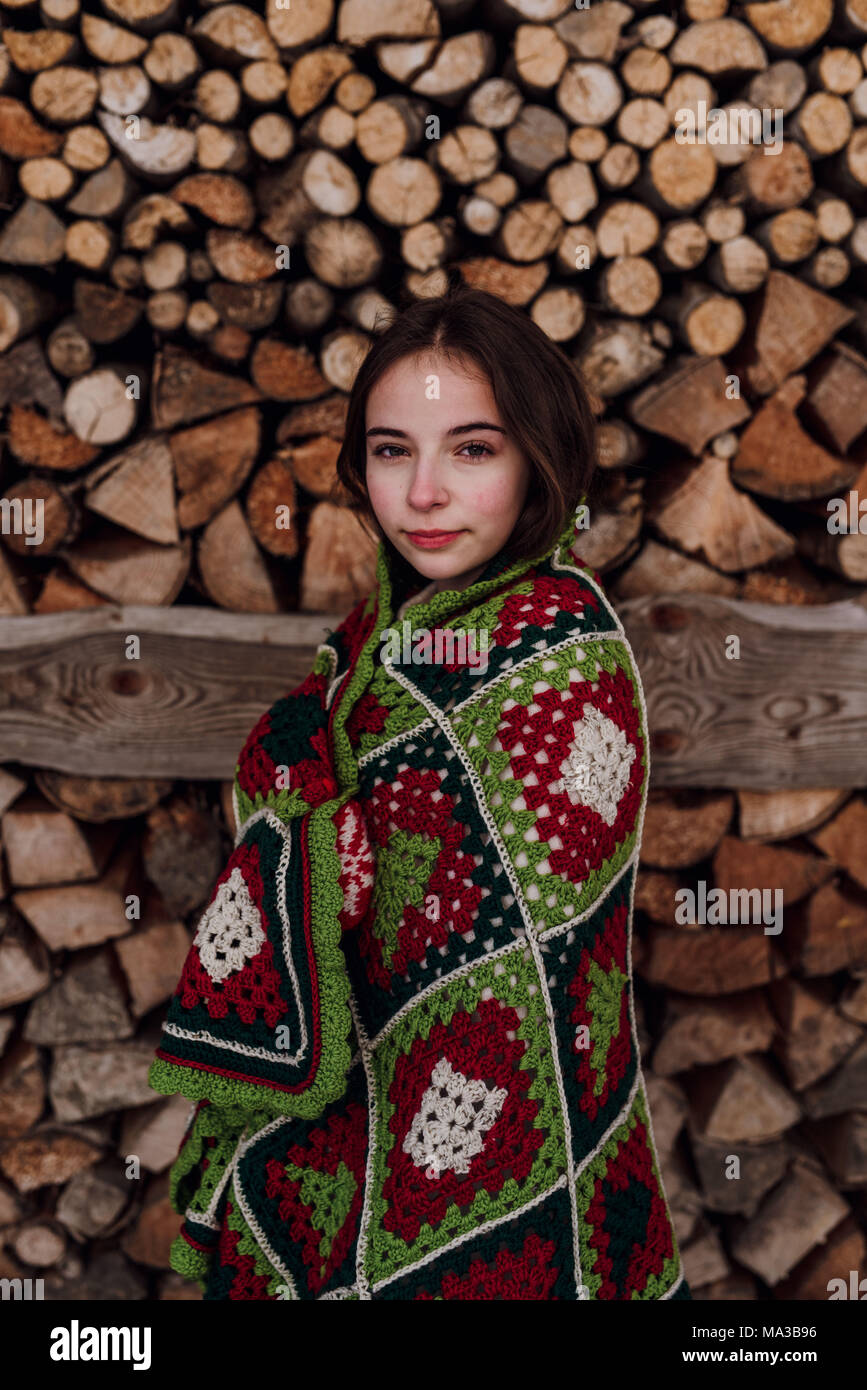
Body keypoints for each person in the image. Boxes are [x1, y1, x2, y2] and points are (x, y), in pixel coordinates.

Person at [148, 281, 692, 1301]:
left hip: (494, 1124)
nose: (424, 492)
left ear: (540, 457)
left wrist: (326, 840)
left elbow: (519, 962)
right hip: (336, 1128)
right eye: (394, 450)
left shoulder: (564, 654)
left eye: (472, 450)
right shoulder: (368, 642)